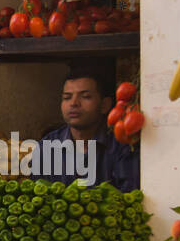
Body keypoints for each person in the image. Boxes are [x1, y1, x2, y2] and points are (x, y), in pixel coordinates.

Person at [36, 64, 139, 192]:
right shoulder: (46, 146)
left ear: (104, 105)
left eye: (85, 96)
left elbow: (129, 198)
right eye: (67, 97)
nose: (74, 103)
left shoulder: (122, 147)